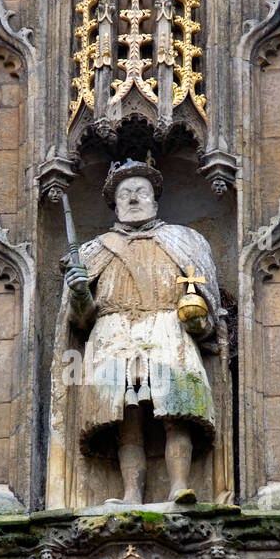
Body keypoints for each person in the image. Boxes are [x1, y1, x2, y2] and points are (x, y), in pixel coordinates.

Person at [59, 158, 222, 505]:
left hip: (168, 328)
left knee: (177, 409)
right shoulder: (94, 251)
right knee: (125, 417)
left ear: (155, 198)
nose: (133, 198)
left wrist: (199, 320)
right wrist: (78, 293)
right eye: (125, 193)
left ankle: (179, 484)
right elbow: (80, 321)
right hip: (113, 334)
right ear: (114, 203)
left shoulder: (184, 240)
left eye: (141, 192)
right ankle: (131, 492)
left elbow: (208, 304)